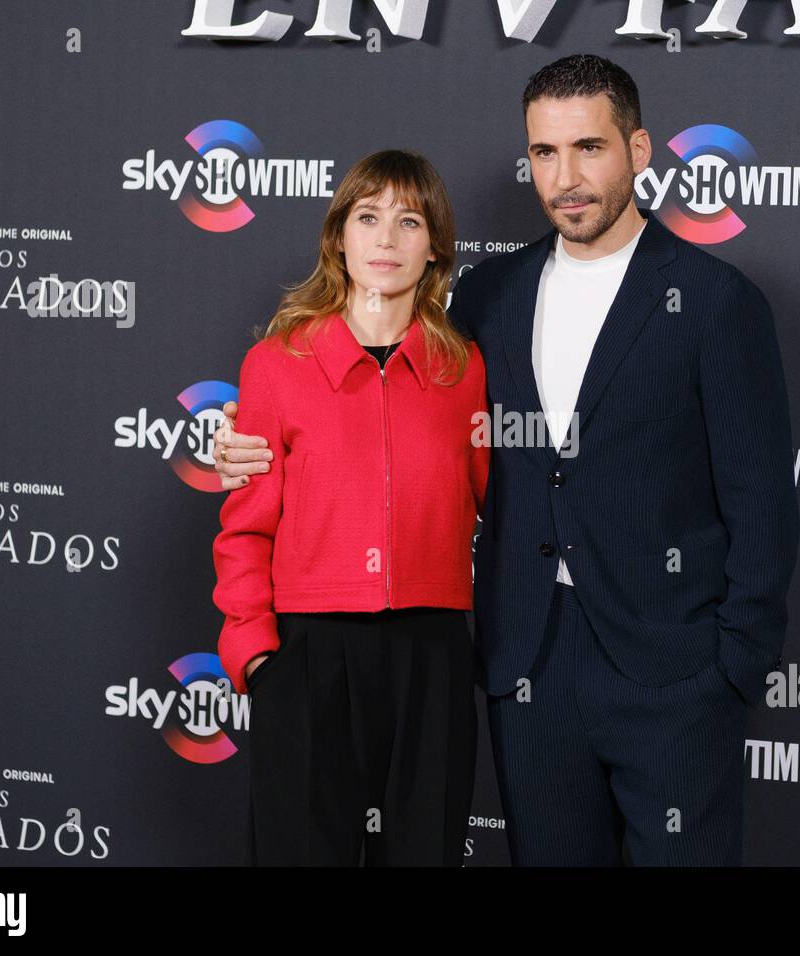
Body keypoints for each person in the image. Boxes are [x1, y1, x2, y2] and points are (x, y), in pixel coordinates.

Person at [216, 54, 799, 866]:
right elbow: (398, 430)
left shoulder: (714, 300)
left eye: (589, 148)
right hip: (530, 668)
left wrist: (732, 668)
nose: (566, 177)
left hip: (671, 674)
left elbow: (763, 499)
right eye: (545, 153)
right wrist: (248, 447)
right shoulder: (489, 299)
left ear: (639, 150)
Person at [211, 148, 489, 866]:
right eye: (368, 218)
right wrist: (257, 655)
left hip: (432, 651)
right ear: (340, 237)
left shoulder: (464, 369)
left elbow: (498, 504)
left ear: (435, 249)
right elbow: (244, 530)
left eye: (408, 221)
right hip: (307, 653)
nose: (387, 240)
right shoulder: (276, 364)